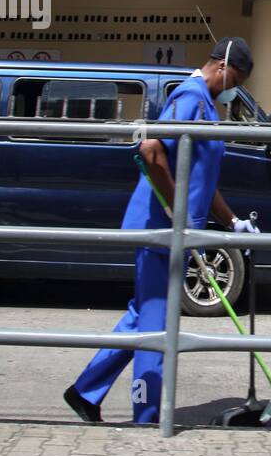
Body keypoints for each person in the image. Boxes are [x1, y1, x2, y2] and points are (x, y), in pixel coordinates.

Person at [63, 37, 257, 424]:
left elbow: (201, 175)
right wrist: (178, 211)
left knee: (144, 315)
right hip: (161, 228)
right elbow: (151, 150)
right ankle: (147, 414)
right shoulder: (190, 97)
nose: (233, 88)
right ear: (221, 67)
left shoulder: (207, 105)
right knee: (156, 321)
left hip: (178, 231)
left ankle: (85, 391)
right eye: (234, 79)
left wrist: (232, 220)